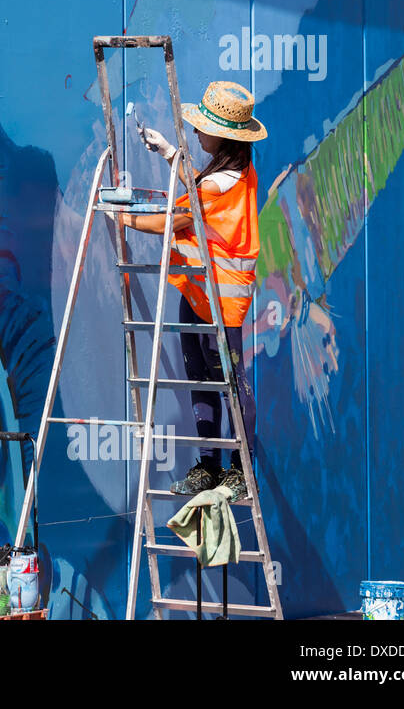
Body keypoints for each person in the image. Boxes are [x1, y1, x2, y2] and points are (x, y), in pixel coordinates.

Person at [113, 81, 265, 499]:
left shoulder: (220, 185)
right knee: (203, 380)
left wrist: (121, 217)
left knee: (229, 385)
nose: (196, 133)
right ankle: (209, 466)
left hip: (221, 303)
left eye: (203, 128)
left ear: (225, 137)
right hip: (200, 293)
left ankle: (240, 471)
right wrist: (168, 152)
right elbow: (199, 187)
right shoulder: (231, 172)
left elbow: (175, 218)